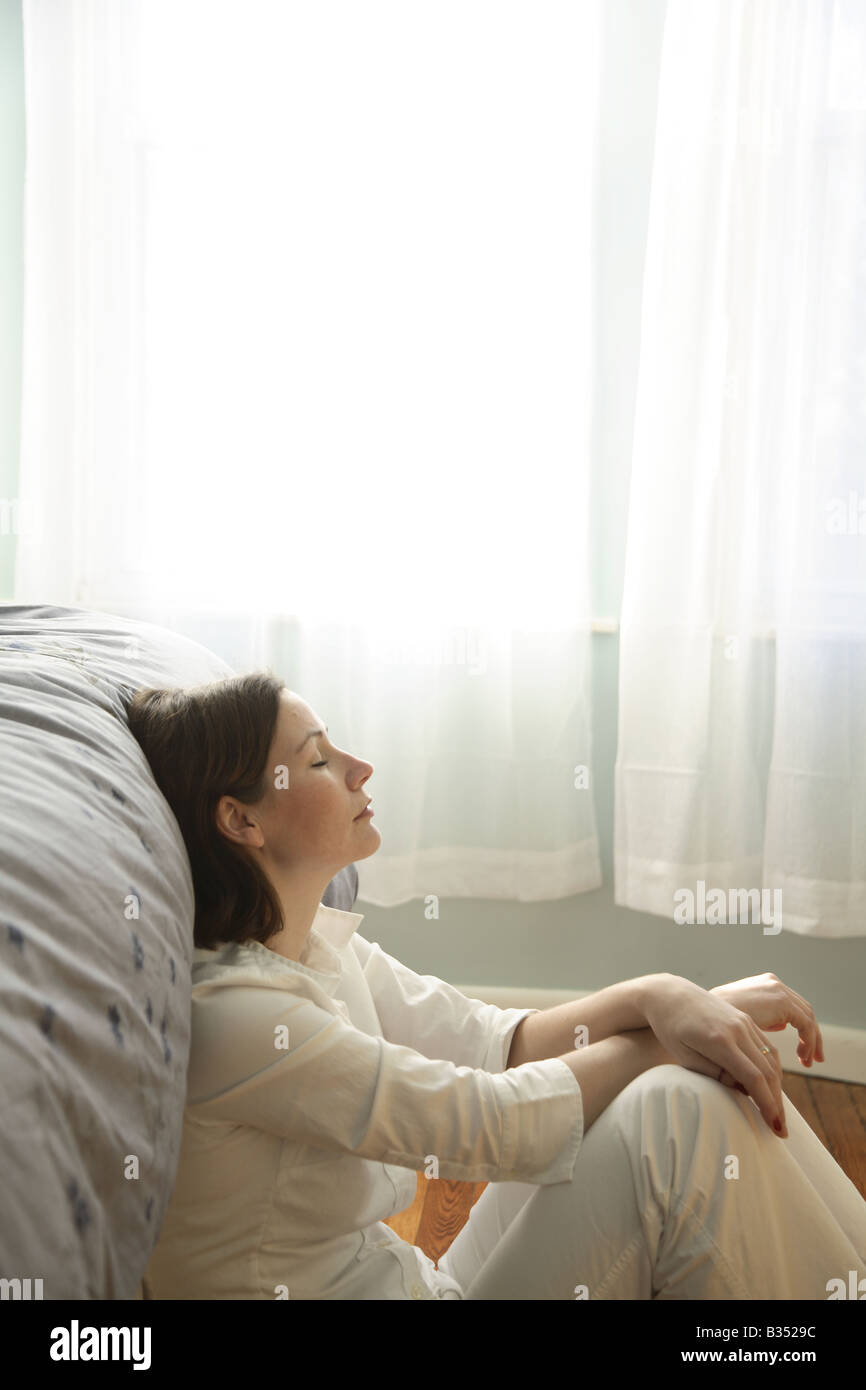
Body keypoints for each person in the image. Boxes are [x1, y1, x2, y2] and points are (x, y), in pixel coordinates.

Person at [125, 672, 866, 1300]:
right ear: (240, 818)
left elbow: (495, 1044)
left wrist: (665, 997)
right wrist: (672, 1030)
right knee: (674, 1116)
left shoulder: (313, 943)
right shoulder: (241, 1019)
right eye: (319, 761)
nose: (360, 769)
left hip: (411, 1282)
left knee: (679, 1098)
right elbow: (495, 1125)